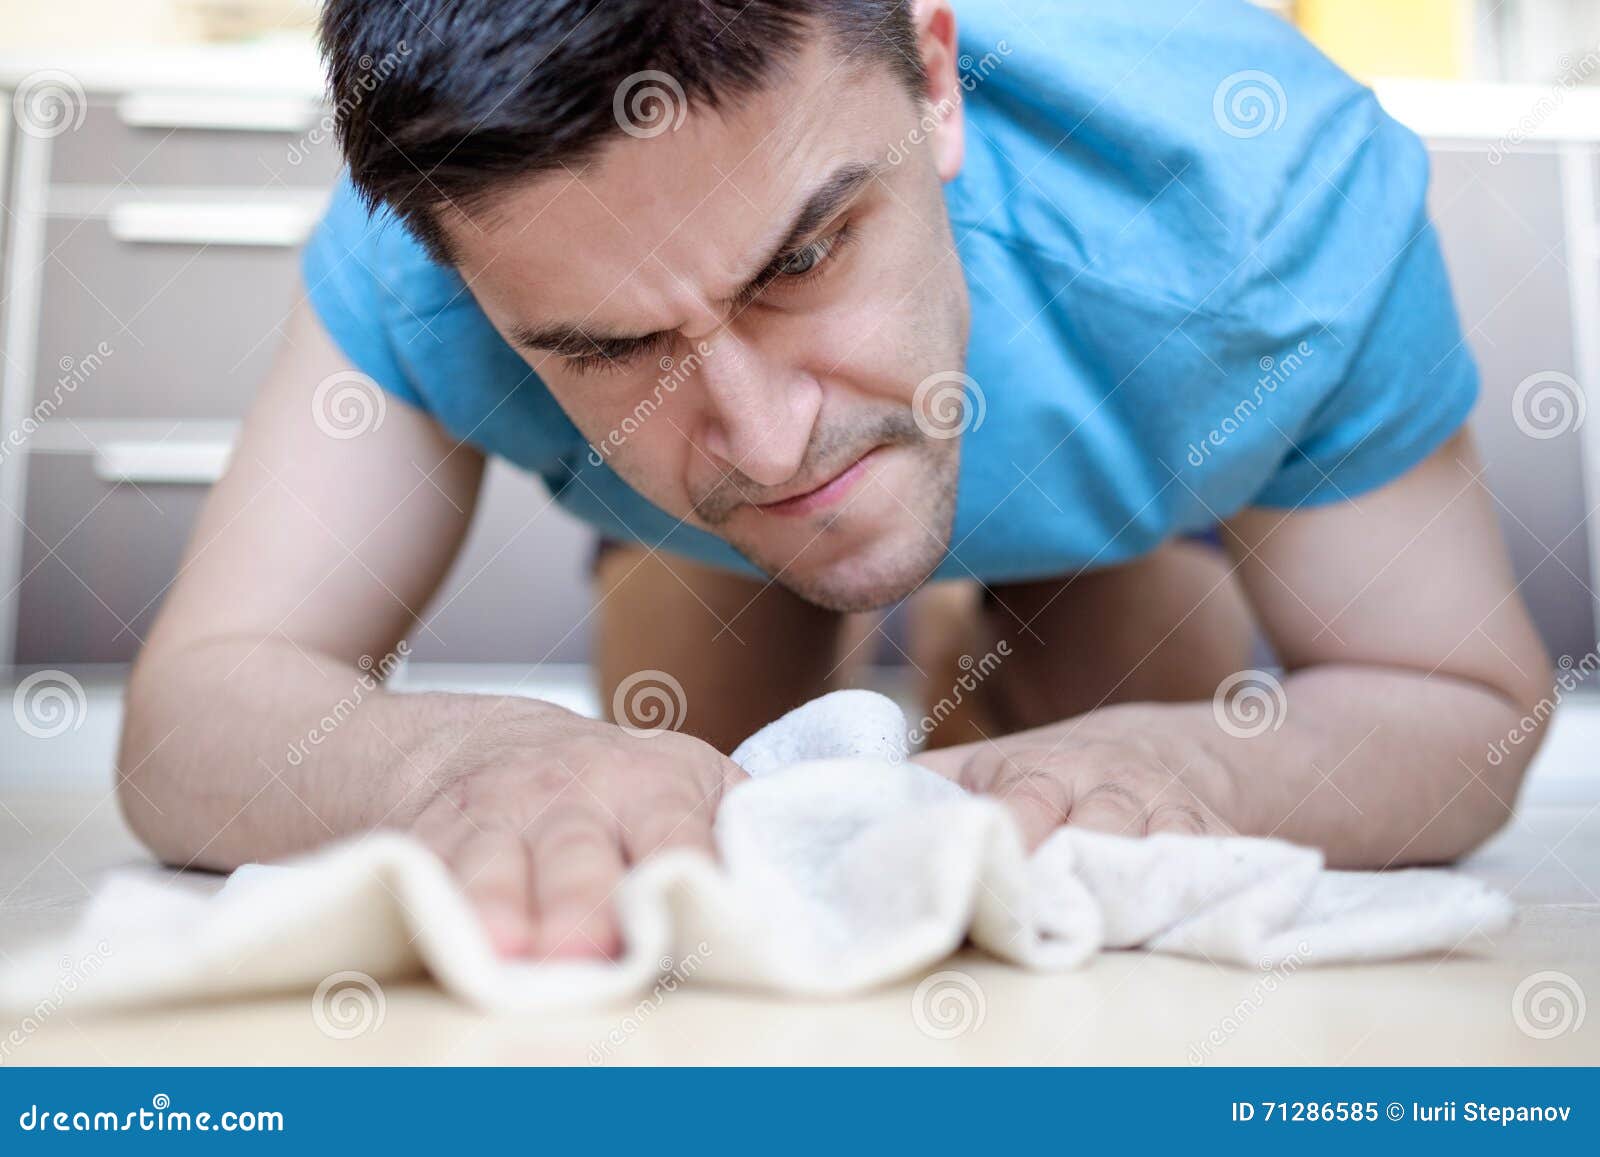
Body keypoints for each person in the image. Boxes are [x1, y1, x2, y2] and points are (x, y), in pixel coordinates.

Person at [118, 0, 1552, 958]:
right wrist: (455, 764)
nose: (765, 439)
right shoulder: (438, 246)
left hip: (1118, 516)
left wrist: (1193, 763)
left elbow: (1467, 708)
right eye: (611, 348)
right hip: (708, 551)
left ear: (935, 79)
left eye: (802, 259)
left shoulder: (1268, 201)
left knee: (1116, 750)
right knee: (697, 801)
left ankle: (1003, 625)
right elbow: (197, 705)